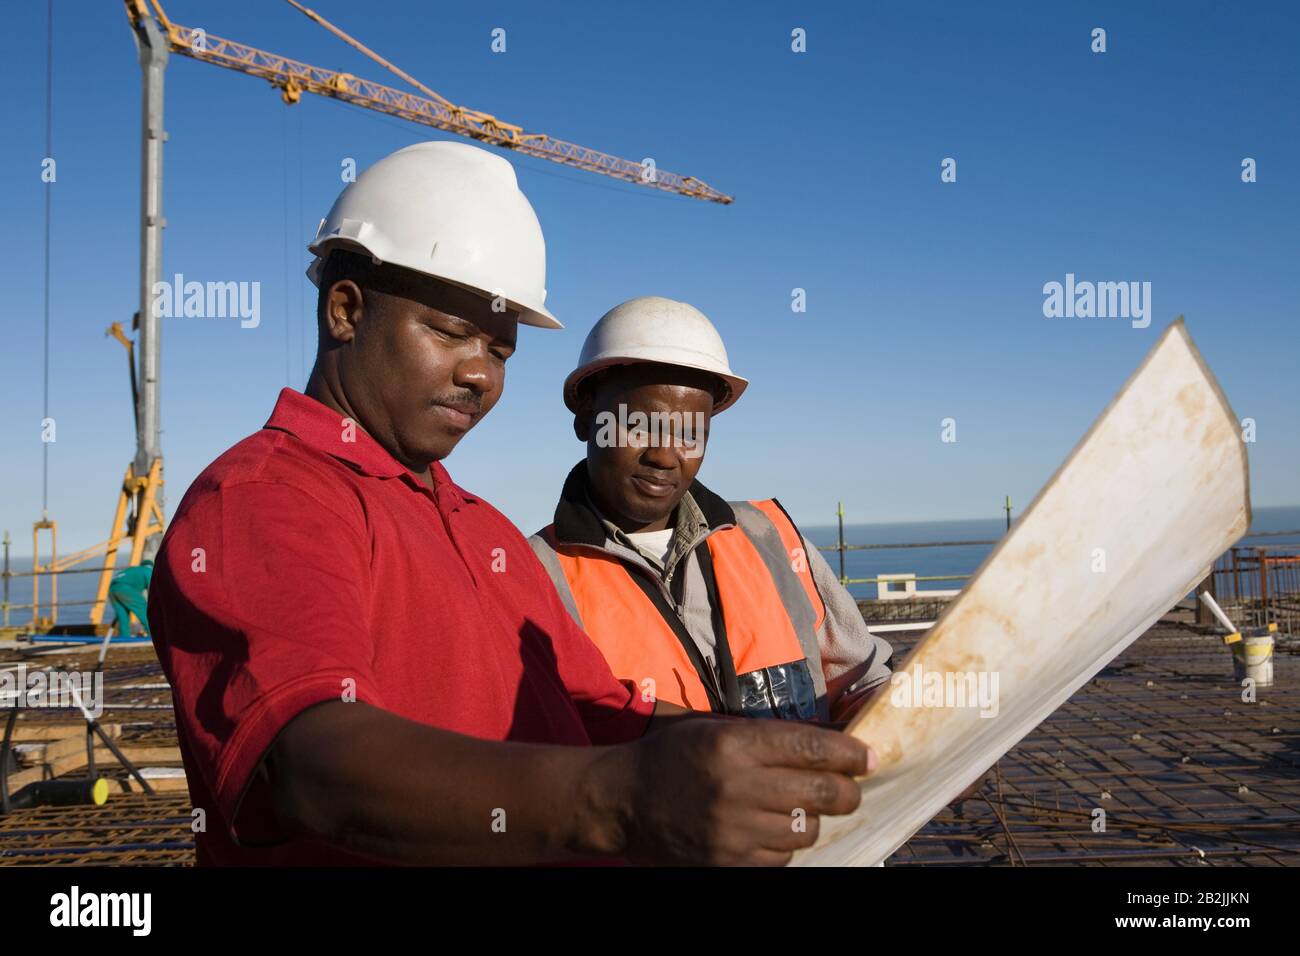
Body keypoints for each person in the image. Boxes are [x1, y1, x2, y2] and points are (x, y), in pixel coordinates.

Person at [147, 142, 874, 866]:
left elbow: (595, 708)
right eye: (450, 331)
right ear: (346, 311)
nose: (479, 374)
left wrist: (730, 749)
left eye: (500, 351)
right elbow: (311, 763)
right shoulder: (267, 497)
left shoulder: (477, 528)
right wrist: (618, 799)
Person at [529, 296, 894, 723]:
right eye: (638, 425)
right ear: (585, 420)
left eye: (690, 432)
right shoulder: (536, 575)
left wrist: (907, 732)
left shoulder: (769, 538)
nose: (665, 456)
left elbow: (860, 682)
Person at [108, 559, 153, 638]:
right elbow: (152, 589)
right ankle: (153, 636)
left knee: (122, 615)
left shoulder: (133, 570)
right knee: (144, 610)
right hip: (125, 589)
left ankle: (124, 638)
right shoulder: (148, 570)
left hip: (112, 589)